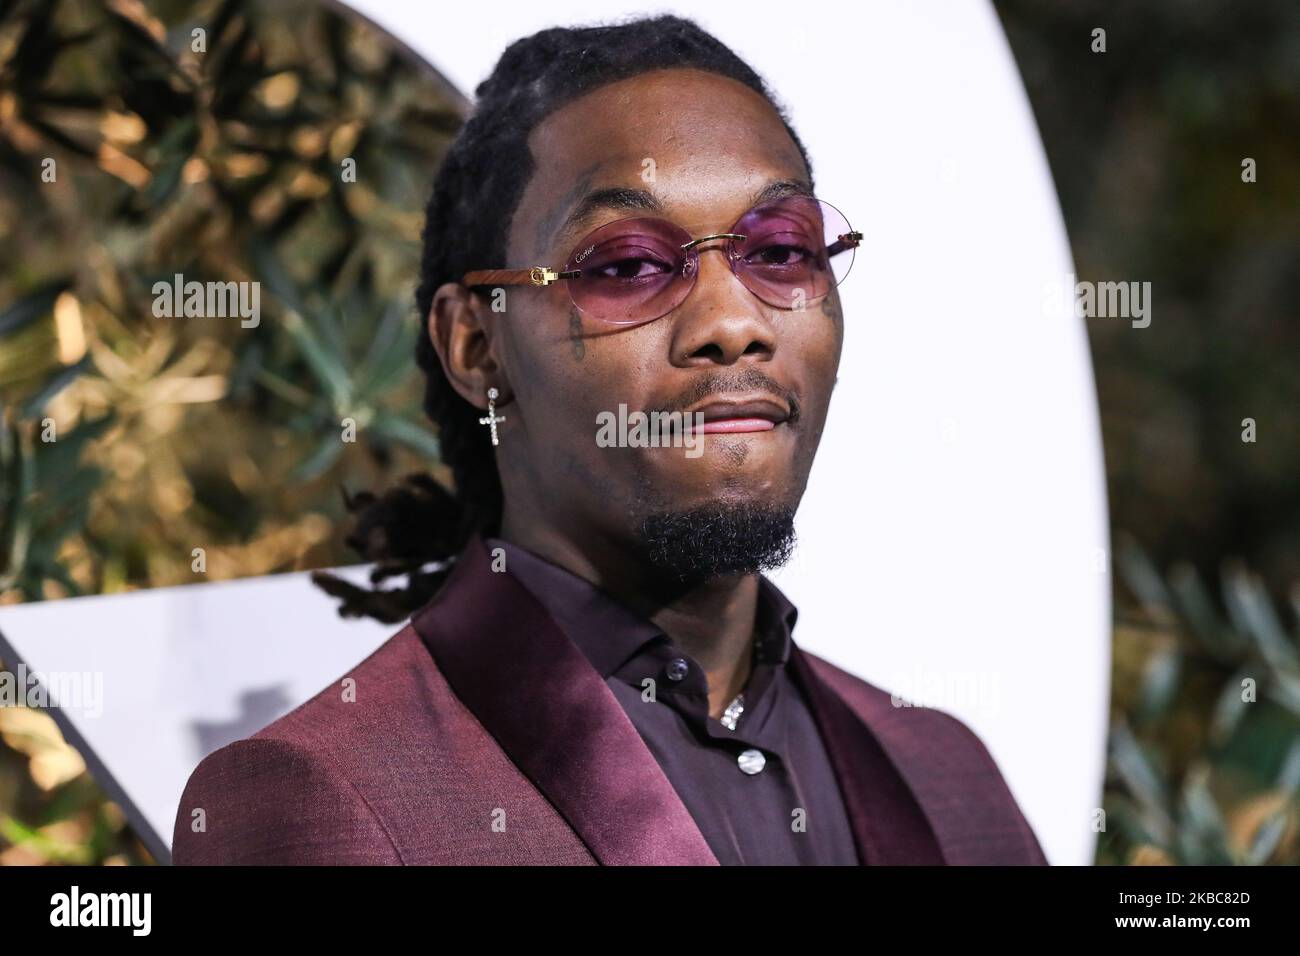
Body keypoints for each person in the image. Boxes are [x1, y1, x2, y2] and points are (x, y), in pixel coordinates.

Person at [171, 14, 1046, 866]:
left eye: (780, 251)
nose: (734, 322)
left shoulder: (946, 776)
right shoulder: (325, 798)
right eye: (626, 265)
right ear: (478, 348)